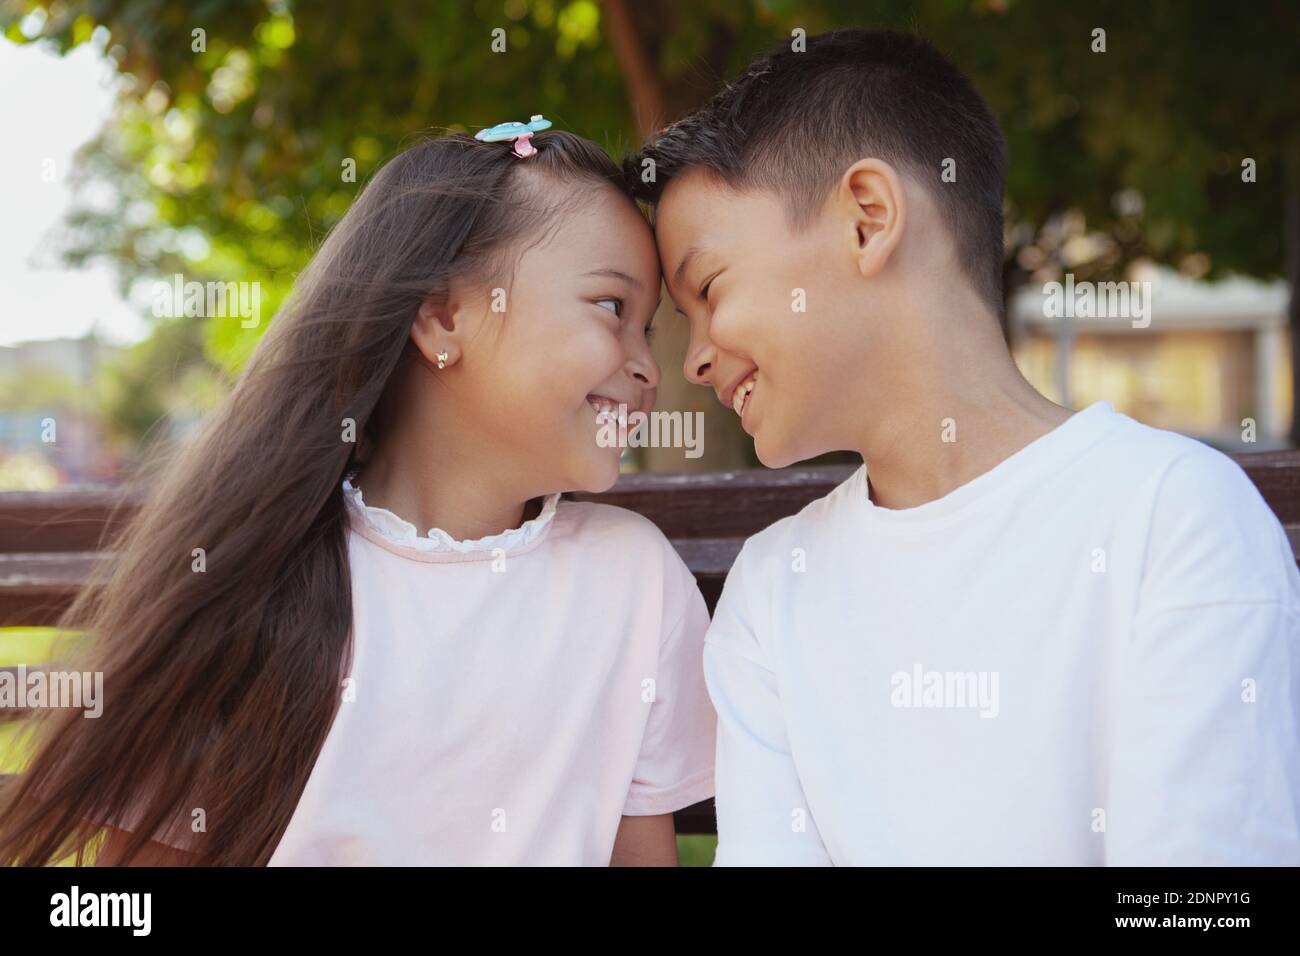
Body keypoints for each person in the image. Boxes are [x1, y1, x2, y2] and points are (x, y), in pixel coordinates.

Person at [628, 29, 1300, 865]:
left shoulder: (1173, 518)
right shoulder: (773, 591)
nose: (694, 358)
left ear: (868, 219)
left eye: (709, 289)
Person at [0, 126, 715, 866]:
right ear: (442, 317)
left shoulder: (633, 581)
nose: (647, 366)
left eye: (648, 327)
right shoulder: (252, 583)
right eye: (611, 307)